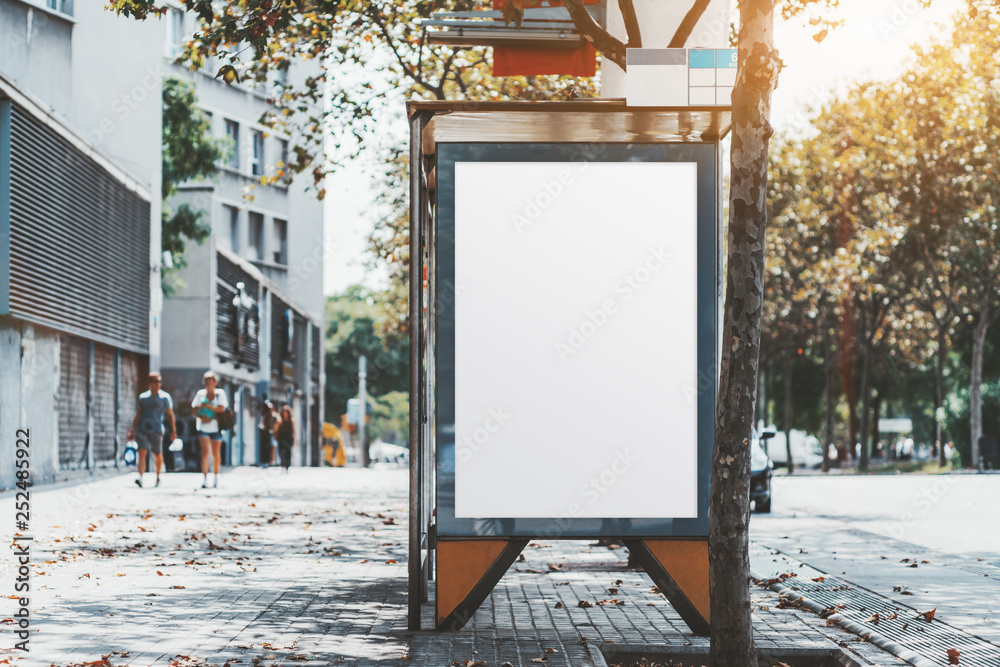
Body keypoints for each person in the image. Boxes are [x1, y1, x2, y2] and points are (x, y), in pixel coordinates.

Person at [126, 372, 176, 488]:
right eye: (155, 382)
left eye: (159, 382)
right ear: (149, 383)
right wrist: (132, 430)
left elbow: (170, 414)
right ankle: (140, 477)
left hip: (157, 430)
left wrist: (173, 430)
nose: (158, 384)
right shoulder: (143, 397)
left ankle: (158, 476)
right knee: (142, 453)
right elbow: (138, 414)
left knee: (157, 454)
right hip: (142, 430)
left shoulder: (165, 397)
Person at [191, 371, 228, 488]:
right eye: (205, 379)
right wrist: (202, 416)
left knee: (216, 453)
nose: (207, 382)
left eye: (210, 379)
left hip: (216, 427)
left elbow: (222, 409)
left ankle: (216, 476)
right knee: (205, 452)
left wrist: (209, 406)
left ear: (215, 382)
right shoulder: (200, 394)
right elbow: (194, 410)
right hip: (203, 426)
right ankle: (205, 479)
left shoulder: (220, 394)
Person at [273, 405, 295, 472]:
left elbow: (294, 431)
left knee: (288, 453)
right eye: (284, 413)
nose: (285, 414)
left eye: (286, 413)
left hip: (288, 439)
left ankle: (287, 466)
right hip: (281, 439)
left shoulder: (291, 421)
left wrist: (294, 440)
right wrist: (278, 423)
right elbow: (275, 429)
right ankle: (283, 465)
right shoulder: (280, 420)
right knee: (281, 452)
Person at [257, 398, 276, 468]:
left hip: (273, 434)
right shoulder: (264, 416)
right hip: (266, 434)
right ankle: (266, 460)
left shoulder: (274, 416)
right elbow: (261, 424)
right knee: (266, 447)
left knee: (272, 447)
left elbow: (276, 425)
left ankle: (272, 461)